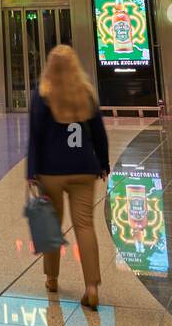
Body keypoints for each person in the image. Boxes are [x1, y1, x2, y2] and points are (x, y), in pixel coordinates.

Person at [27, 45, 110, 306]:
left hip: (51, 171)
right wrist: (104, 163)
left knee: (51, 226)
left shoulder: (43, 95)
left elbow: (35, 137)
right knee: (85, 225)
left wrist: (31, 171)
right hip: (84, 168)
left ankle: (52, 278)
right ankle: (92, 286)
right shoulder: (86, 93)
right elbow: (99, 133)